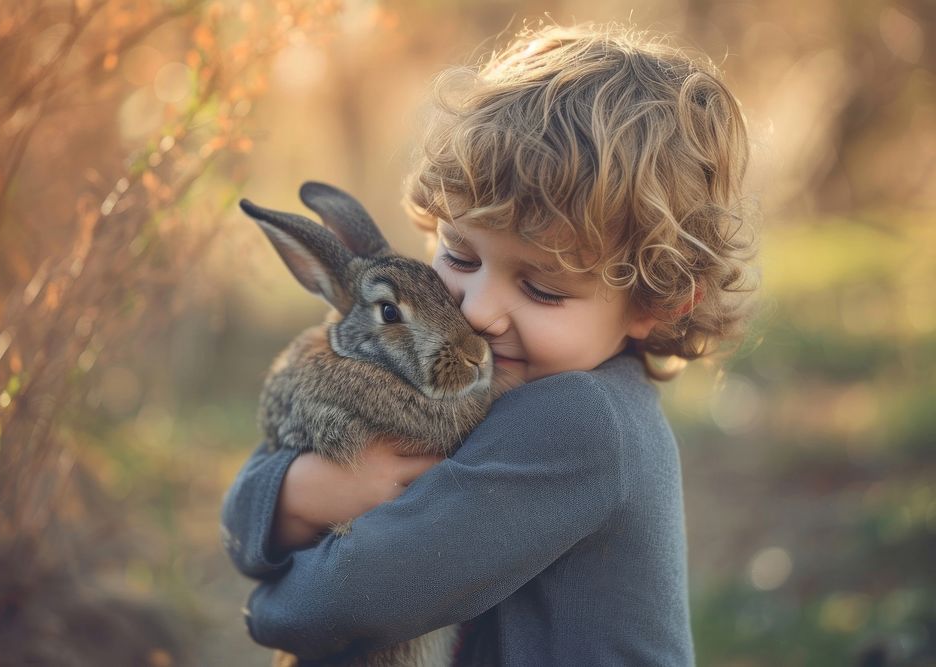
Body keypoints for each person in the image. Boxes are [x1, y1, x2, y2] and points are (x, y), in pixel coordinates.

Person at [221, 22, 755, 666]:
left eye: (542, 289)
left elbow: (354, 600)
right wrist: (303, 491)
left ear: (655, 305)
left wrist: (266, 611)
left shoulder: (580, 424)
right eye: (461, 256)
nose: (477, 311)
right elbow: (248, 508)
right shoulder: (489, 381)